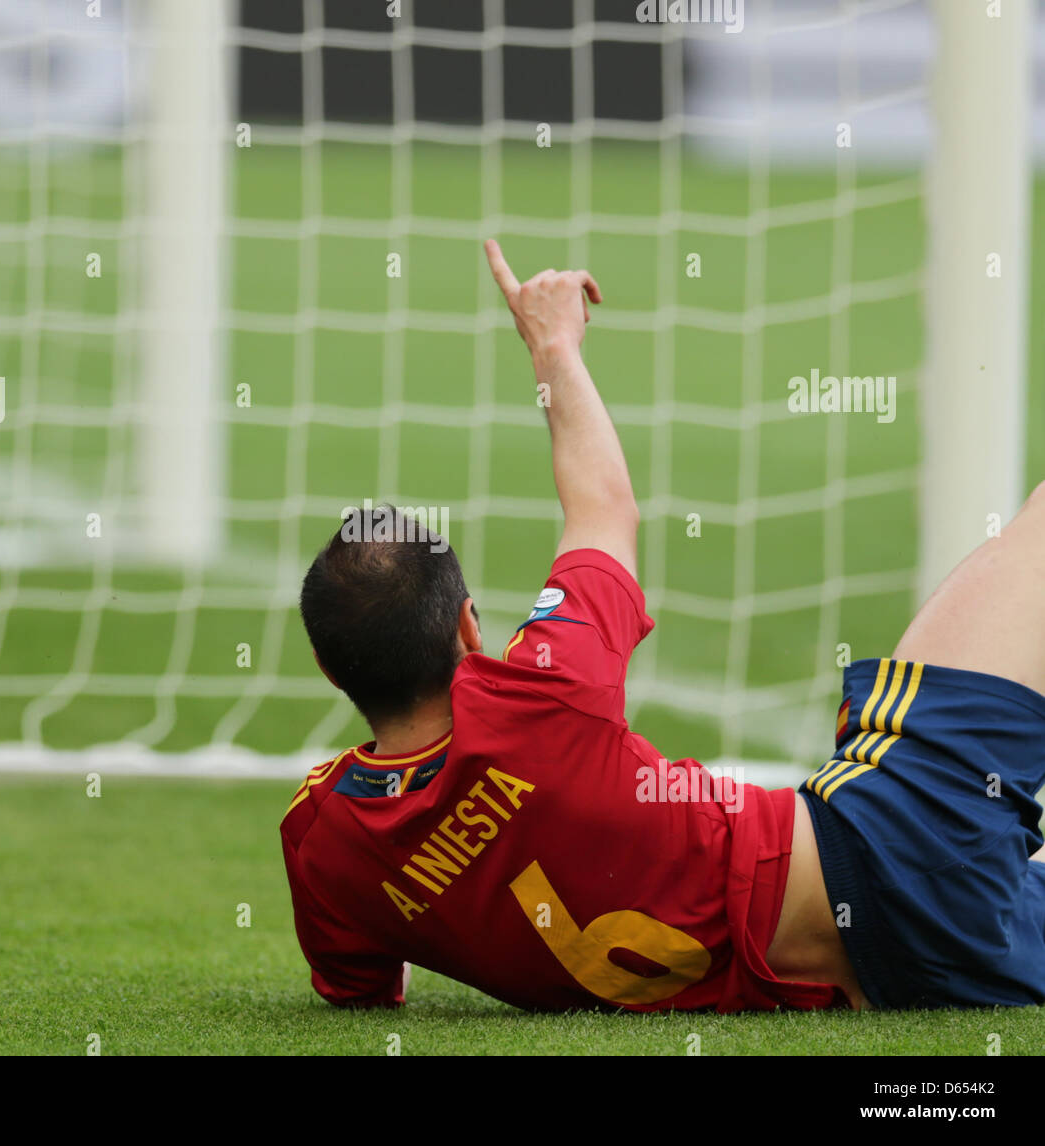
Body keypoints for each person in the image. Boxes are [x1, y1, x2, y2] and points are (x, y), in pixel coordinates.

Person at [280, 240, 1045, 1012]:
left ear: (328, 667)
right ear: (469, 630)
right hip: (898, 848)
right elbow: (604, 508)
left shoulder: (323, 846)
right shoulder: (540, 694)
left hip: (899, 979)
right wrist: (553, 343)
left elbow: (365, 989)